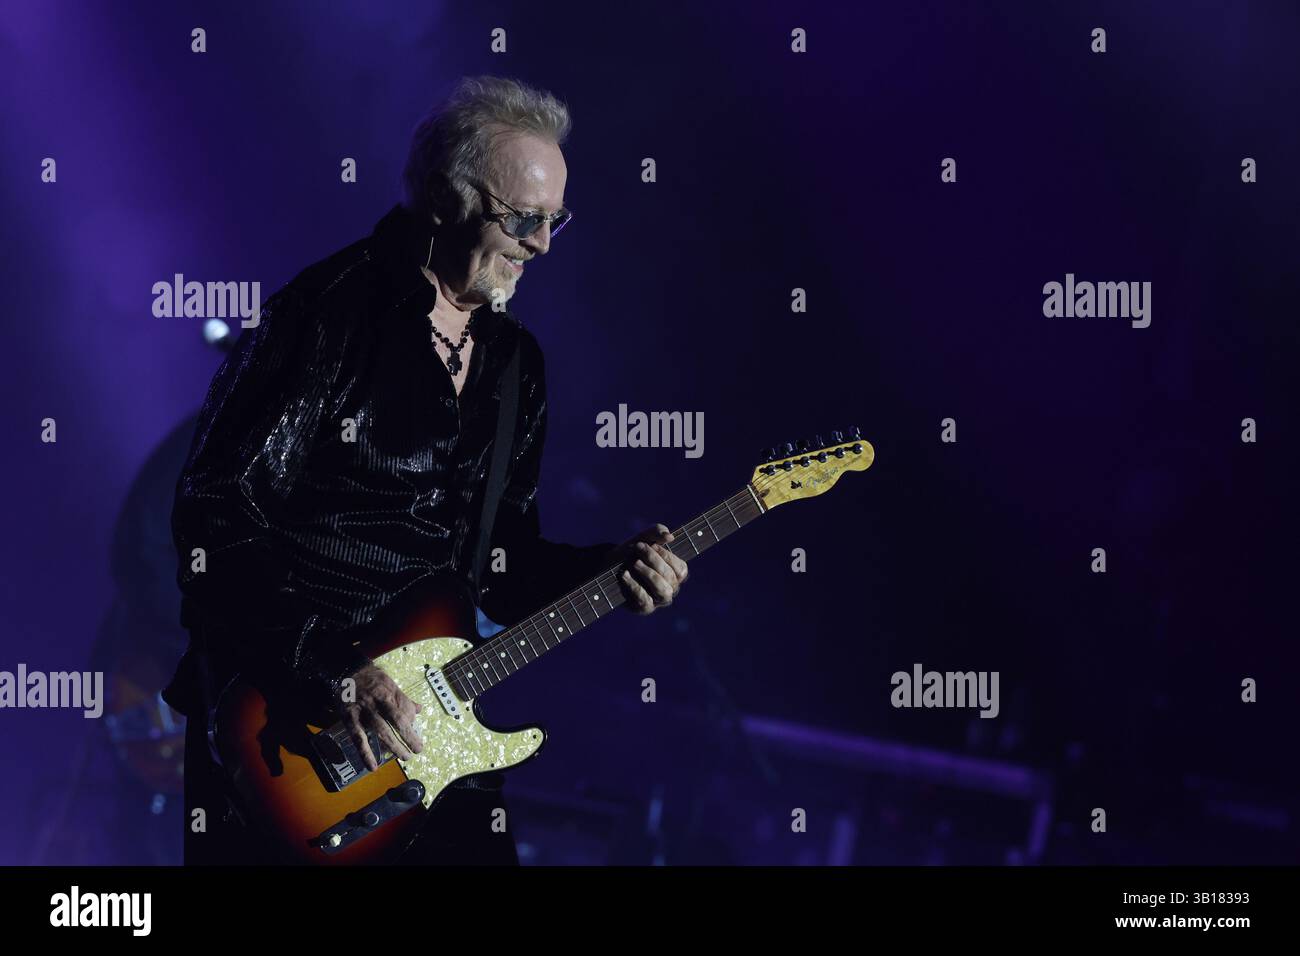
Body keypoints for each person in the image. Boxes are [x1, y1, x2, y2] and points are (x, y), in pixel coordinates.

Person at [163, 75, 690, 865]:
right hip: (294, 741)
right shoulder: (323, 317)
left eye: (556, 221)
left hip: (438, 749)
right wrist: (337, 669)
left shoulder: (517, 364)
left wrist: (612, 570)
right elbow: (214, 518)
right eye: (523, 218)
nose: (541, 244)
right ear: (446, 198)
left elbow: (502, 567)